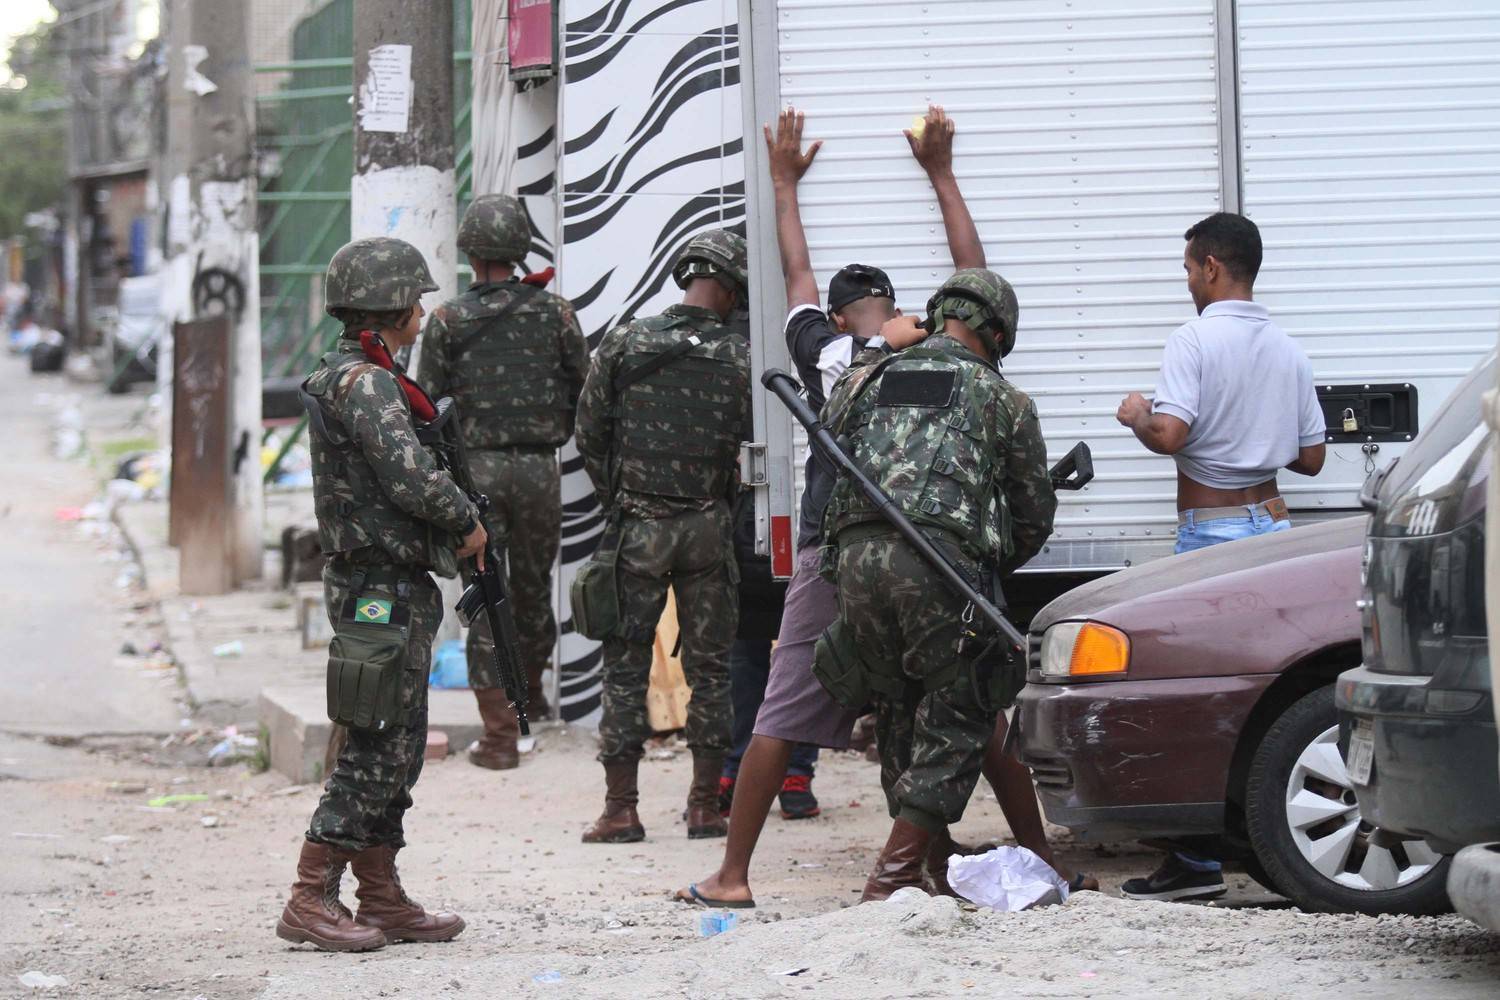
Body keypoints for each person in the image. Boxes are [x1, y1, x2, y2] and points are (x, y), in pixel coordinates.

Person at [677, 106, 1085, 908]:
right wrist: (941, 175)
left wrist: (784, 185)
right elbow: (975, 279)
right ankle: (1012, 859)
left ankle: (735, 874)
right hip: (919, 549)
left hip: (838, 545)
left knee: (789, 706)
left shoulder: (828, 353)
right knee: (969, 701)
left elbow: (800, 271)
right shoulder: (944, 360)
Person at [823, 266, 1057, 901]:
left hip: (852, 561)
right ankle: (891, 876)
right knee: (961, 710)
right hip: (936, 567)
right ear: (997, 332)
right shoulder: (1002, 398)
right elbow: (1033, 512)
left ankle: (931, 867)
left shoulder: (870, 378)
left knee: (898, 709)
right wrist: (992, 555)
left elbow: (829, 420)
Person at [277, 237, 485, 952]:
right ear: (388, 306)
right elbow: (410, 479)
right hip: (376, 584)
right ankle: (310, 896)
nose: (424, 314)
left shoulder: (359, 375)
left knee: (398, 745)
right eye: (416, 300)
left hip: (391, 581)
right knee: (374, 743)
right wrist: (467, 522)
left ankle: (381, 893)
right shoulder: (364, 383)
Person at [1115, 211, 1326, 902]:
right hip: (1274, 525)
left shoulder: (1193, 339)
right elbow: (1313, 456)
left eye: (1186, 270)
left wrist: (1136, 414)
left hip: (1213, 534)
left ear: (1210, 267)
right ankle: (1271, 838)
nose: (1186, 283)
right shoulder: (1288, 348)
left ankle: (1197, 864)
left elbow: (1171, 434)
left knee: (1202, 689)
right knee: (1270, 686)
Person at [575, 229, 752, 843]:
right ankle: (705, 807)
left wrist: (622, 501)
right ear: (729, 287)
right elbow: (750, 447)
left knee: (624, 670)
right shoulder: (741, 358)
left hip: (638, 528)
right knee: (711, 672)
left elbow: (590, 433)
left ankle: (620, 811)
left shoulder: (627, 340)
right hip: (708, 527)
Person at [417, 193, 589, 767]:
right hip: (540, 469)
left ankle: (499, 736)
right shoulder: (556, 313)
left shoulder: (446, 320)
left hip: (477, 474)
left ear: (468, 250)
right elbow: (583, 392)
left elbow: (426, 410)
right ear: (519, 249)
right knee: (535, 588)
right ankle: (530, 701)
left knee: (488, 593)